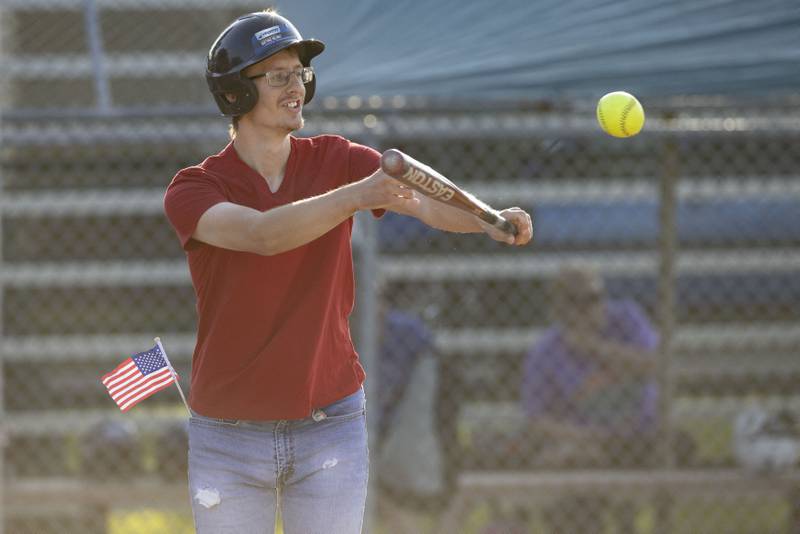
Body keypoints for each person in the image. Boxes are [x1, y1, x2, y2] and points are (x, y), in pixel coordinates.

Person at [163, 9, 533, 534]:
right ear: (233, 94)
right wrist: (357, 195)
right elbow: (261, 235)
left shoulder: (334, 157)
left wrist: (484, 220)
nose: (296, 87)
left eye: (300, 74)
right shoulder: (194, 188)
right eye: (277, 76)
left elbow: (425, 204)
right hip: (228, 433)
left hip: (328, 424)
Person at [520, 265, 659, 534]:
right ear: (559, 310)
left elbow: (656, 365)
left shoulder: (626, 319)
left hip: (638, 436)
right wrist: (585, 438)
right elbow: (536, 419)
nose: (590, 307)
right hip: (582, 444)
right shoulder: (546, 350)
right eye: (577, 302)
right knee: (570, 465)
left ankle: (618, 516)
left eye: (595, 298)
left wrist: (593, 348)